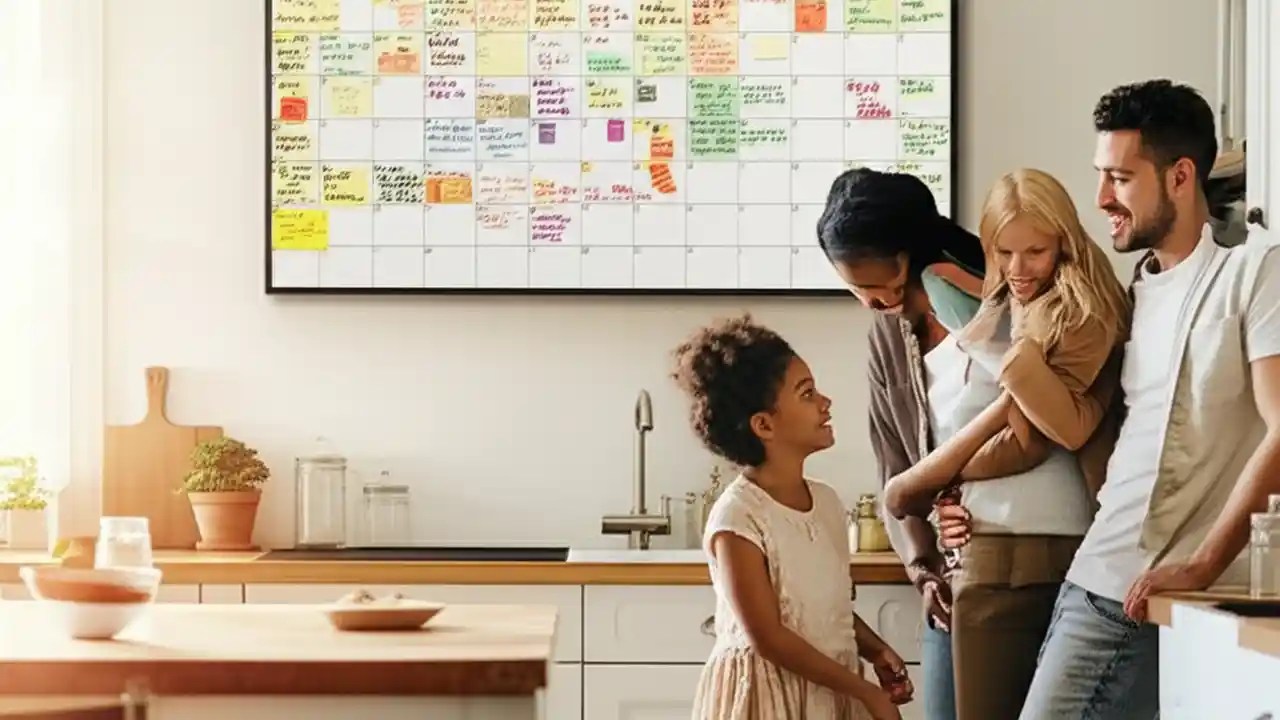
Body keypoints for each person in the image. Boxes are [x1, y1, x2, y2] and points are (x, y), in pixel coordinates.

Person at [1002, 79, 1280, 719]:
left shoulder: (1252, 271)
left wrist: (1205, 563)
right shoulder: (1135, 290)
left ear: (1181, 176)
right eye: (1102, 176)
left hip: (1160, 588)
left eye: (1121, 179)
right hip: (1096, 577)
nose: (1102, 198)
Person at [675, 314, 913, 720]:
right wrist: (865, 693)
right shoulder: (739, 517)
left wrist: (875, 649)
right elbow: (769, 637)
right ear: (764, 425)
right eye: (807, 394)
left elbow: (823, 609)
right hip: (768, 699)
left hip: (829, 687)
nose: (825, 402)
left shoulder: (827, 503)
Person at [817, 167, 986, 720]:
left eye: (875, 283)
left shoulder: (992, 302)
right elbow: (893, 458)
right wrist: (922, 567)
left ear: (910, 253)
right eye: (854, 287)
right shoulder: (887, 334)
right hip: (950, 576)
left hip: (1029, 557)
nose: (869, 301)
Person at [882, 167, 1130, 519]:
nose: (1018, 268)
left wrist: (930, 480)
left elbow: (1062, 434)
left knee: (901, 492)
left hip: (1097, 492)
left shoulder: (1074, 304)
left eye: (1035, 251)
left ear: (1064, 241)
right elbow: (1005, 292)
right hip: (1069, 465)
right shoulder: (1038, 280)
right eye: (1003, 251)